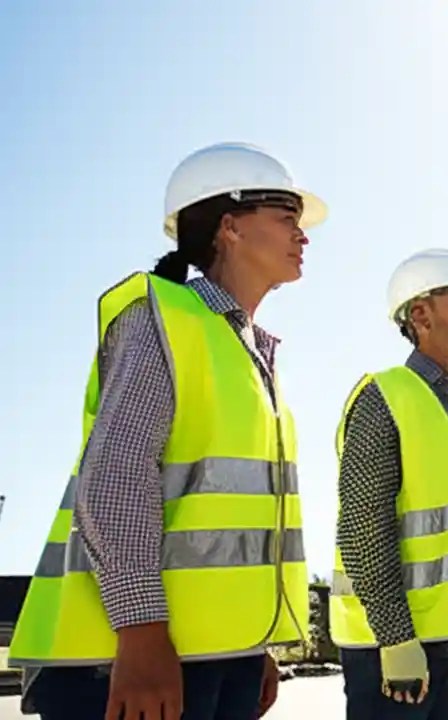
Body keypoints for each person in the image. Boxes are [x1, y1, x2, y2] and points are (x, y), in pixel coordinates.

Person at [8, 141, 325, 719]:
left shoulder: (247, 350)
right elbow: (116, 478)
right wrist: (142, 634)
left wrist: (251, 643)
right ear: (229, 227)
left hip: (210, 658)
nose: (302, 236)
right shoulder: (164, 317)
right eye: (286, 219)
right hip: (130, 662)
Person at [329, 248, 448, 720]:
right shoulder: (383, 397)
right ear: (420, 314)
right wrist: (395, 637)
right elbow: (363, 526)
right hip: (391, 647)